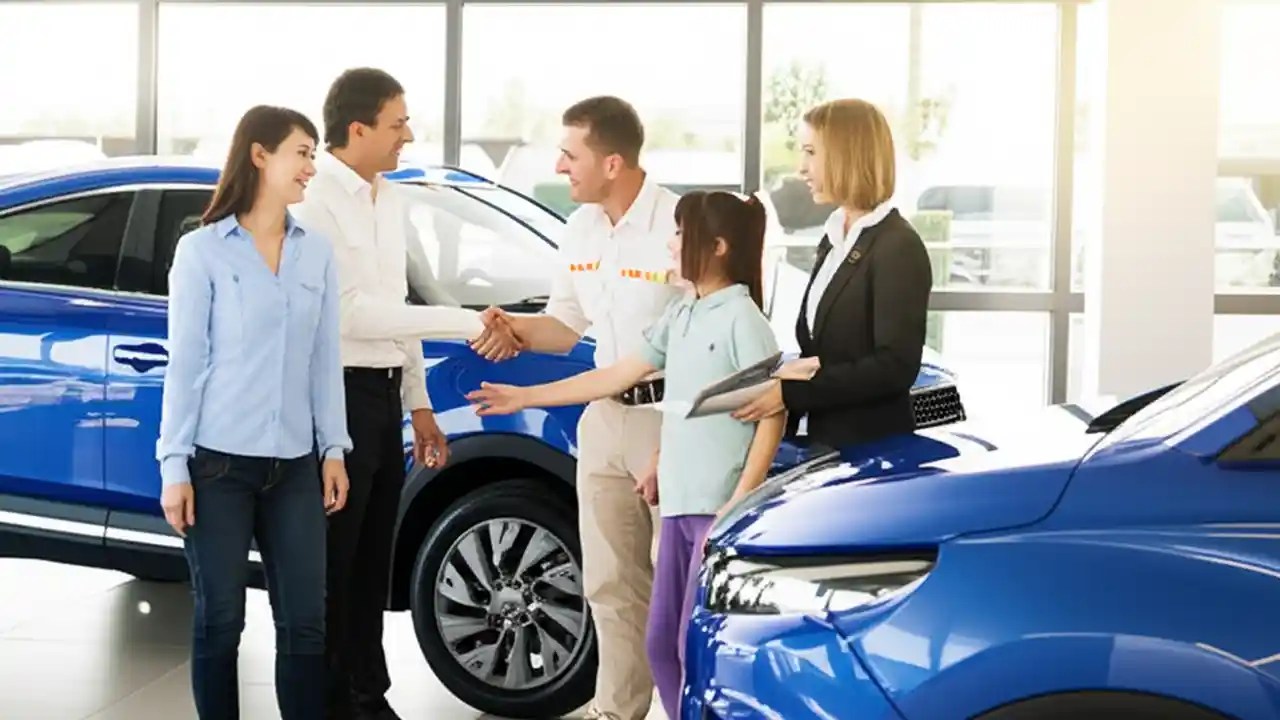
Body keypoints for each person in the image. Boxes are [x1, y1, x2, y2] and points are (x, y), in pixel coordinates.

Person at [468, 190, 787, 720]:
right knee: (663, 643)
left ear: (719, 247)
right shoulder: (682, 315)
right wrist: (525, 396)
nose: (671, 242)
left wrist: (738, 501)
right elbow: (618, 375)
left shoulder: (743, 319)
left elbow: (770, 412)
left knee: (697, 644)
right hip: (681, 500)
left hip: (715, 507)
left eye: (681, 235)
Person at [289, 67, 517, 720]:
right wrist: (471, 323)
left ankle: (367, 695)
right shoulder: (315, 202)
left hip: (381, 396)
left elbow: (397, 307)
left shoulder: (388, 197)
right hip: (332, 400)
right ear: (357, 129)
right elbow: (351, 316)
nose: (408, 136)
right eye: (397, 123)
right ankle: (333, 704)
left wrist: (418, 405)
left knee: (370, 563)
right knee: (334, 568)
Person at [475, 95, 683, 720]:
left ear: (612, 162)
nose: (560, 165)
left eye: (571, 154)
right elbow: (566, 327)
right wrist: (513, 326)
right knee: (609, 582)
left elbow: (710, 341)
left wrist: (677, 444)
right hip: (603, 418)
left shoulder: (680, 223)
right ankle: (616, 710)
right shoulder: (580, 230)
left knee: (675, 584)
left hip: (671, 421)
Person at [156, 105, 351, 720]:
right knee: (220, 622)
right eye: (302, 152)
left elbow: (325, 360)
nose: (311, 167)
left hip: (295, 465)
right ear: (259, 155)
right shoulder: (202, 252)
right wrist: (173, 464)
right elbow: (186, 364)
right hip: (217, 468)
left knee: (305, 623)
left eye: (314, 154)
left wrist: (333, 449)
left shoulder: (315, 253)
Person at [733, 98, 933, 449]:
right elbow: (832, 349)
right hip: (825, 442)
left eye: (811, 152)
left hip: (870, 452)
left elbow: (894, 366)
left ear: (847, 155)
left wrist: (795, 392)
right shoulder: (834, 238)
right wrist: (796, 370)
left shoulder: (897, 245)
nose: (801, 168)